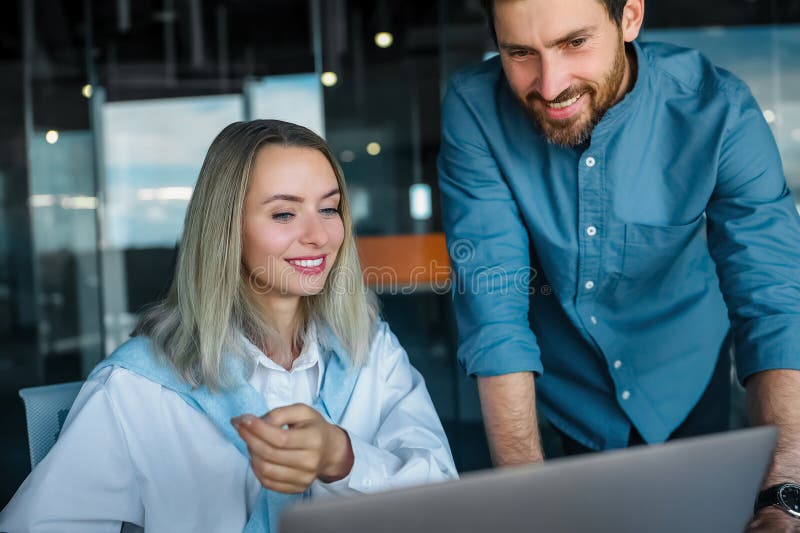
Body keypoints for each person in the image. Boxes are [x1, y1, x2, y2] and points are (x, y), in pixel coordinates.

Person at [437, 0, 800, 530]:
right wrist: (525, 501)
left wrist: (781, 496)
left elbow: (773, 301)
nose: (550, 83)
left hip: (684, 373)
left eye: (574, 43)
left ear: (629, 17)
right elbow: (495, 306)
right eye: (520, 52)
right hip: (561, 393)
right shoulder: (475, 109)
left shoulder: (719, 110)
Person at [1, 119, 457, 533]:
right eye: (284, 213)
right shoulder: (136, 388)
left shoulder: (371, 350)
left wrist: (343, 459)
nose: (319, 235)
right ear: (227, 230)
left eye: (330, 208)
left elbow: (445, 502)